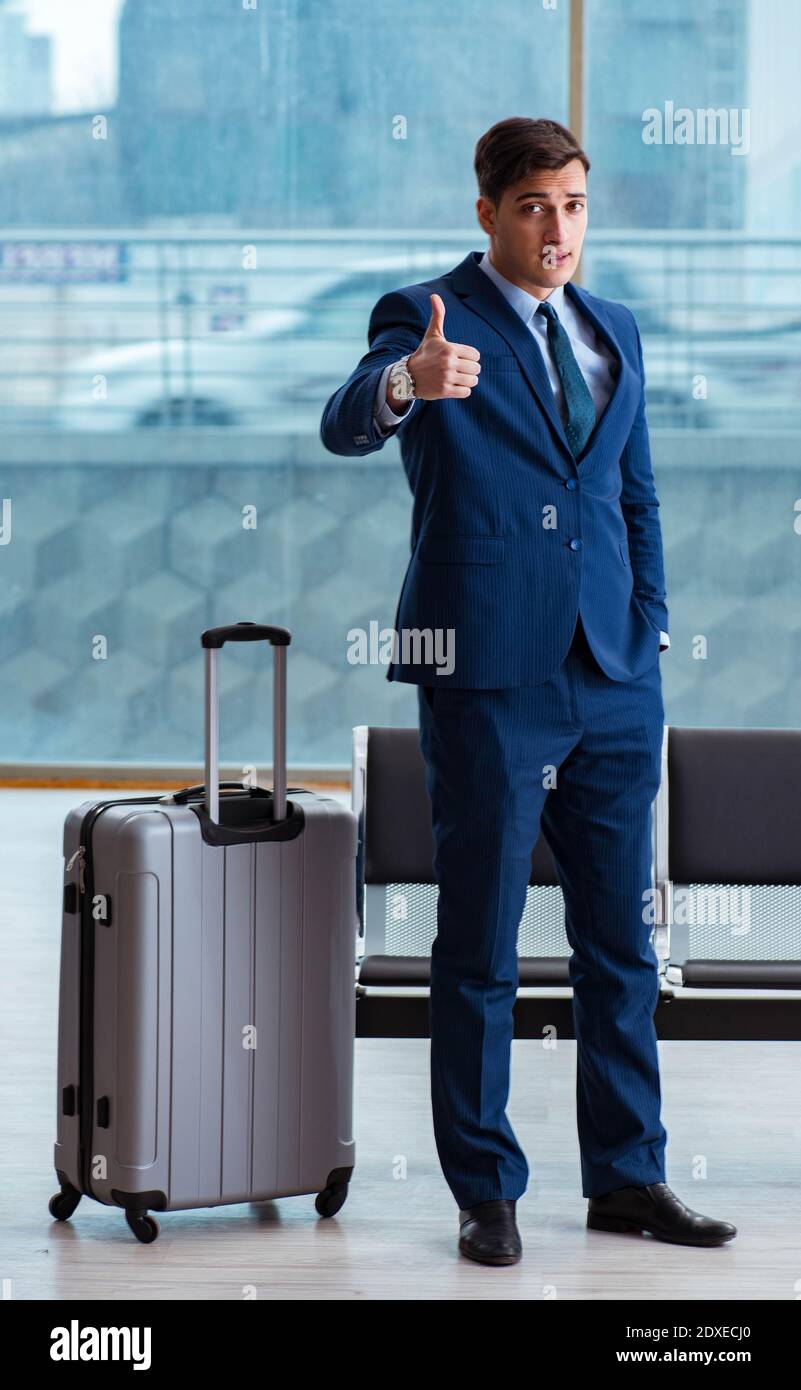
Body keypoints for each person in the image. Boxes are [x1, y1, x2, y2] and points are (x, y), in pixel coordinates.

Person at [320, 116, 736, 1265]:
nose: (559, 228)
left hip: (611, 675)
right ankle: (486, 1191)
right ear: (488, 214)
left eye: (575, 205)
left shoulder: (617, 330)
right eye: (535, 207)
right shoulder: (424, 314)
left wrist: (648, 626)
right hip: (488, 673)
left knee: (620, 943)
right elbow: (345, 419)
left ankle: (630, 1175)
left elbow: (634, 497)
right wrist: (409, 381)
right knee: (481, 942)